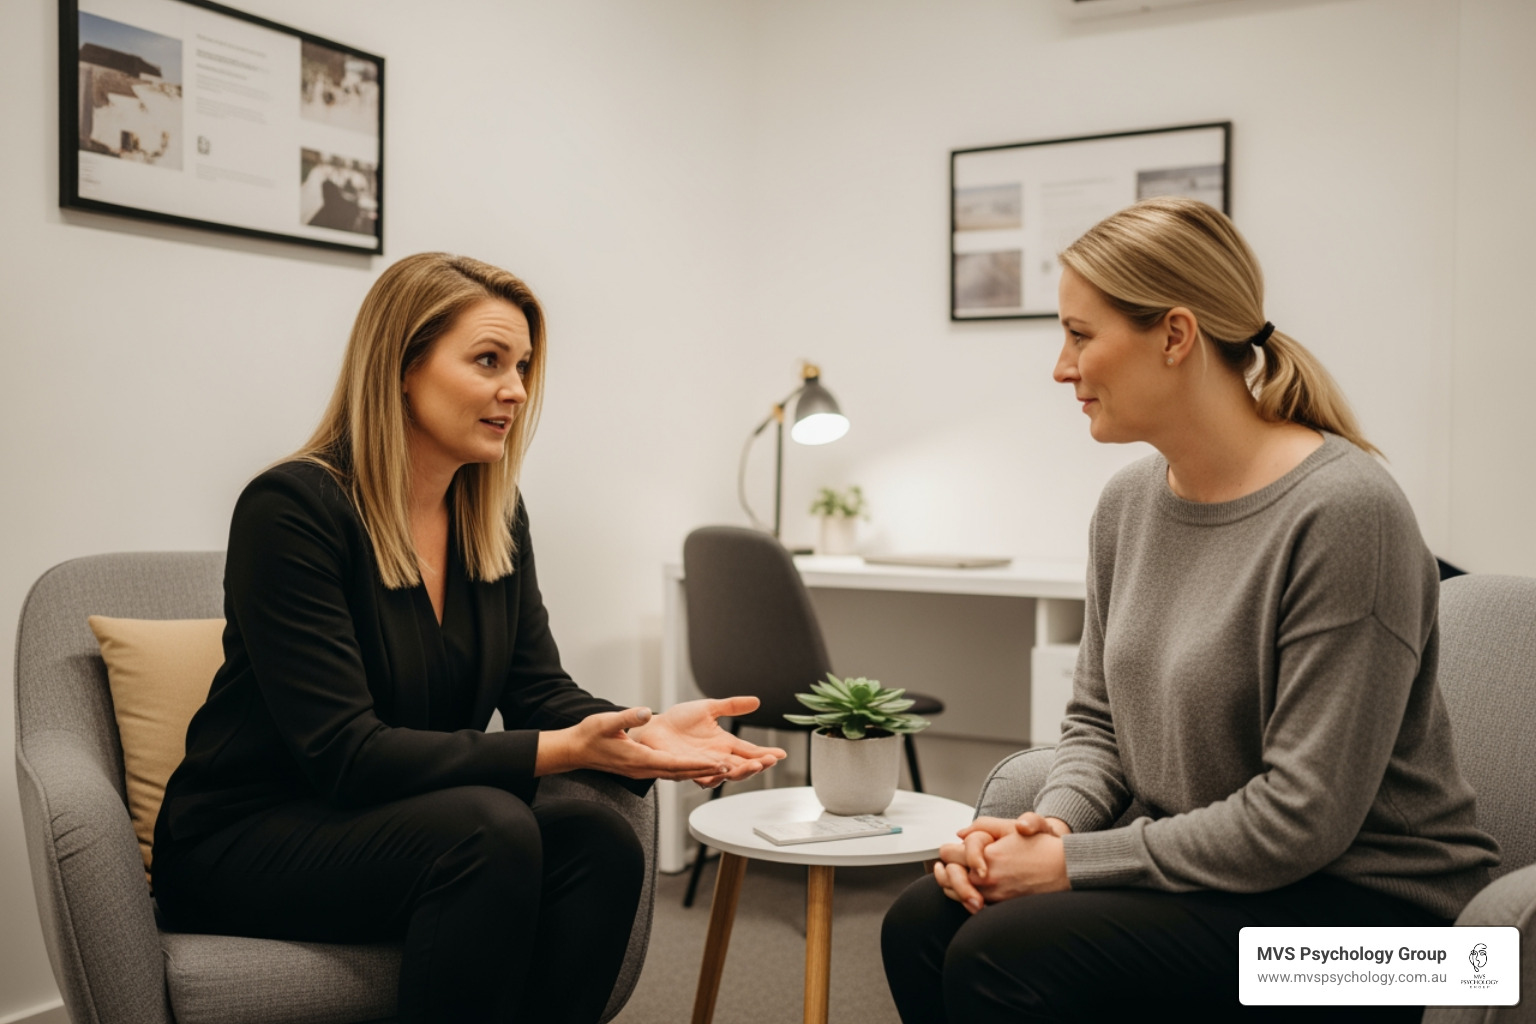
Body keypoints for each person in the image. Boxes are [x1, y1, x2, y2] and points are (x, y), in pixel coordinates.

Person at [880, 198, 1499, 1022]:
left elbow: (1299, 821)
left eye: (1080, 334)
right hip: (1229, 891)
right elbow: (1097, 725)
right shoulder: (1129, 502)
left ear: (1175, 336)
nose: (1062, 368)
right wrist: (1042, 832)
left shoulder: (1346, 514)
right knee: (921, 923)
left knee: (1010, 954)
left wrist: (1070, 868)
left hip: (1396, 941)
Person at [152, 253, 787, 1024]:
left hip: (397, 818)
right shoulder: (291, 509)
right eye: (488, 360)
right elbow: (344, 755)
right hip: (250, 836)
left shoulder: (490, 512)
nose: (516, 390)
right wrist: (573, 749)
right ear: (402, 367)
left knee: (596, 838)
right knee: (490, 831)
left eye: (521, 366)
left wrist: (643, 728)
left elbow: (537, 691)